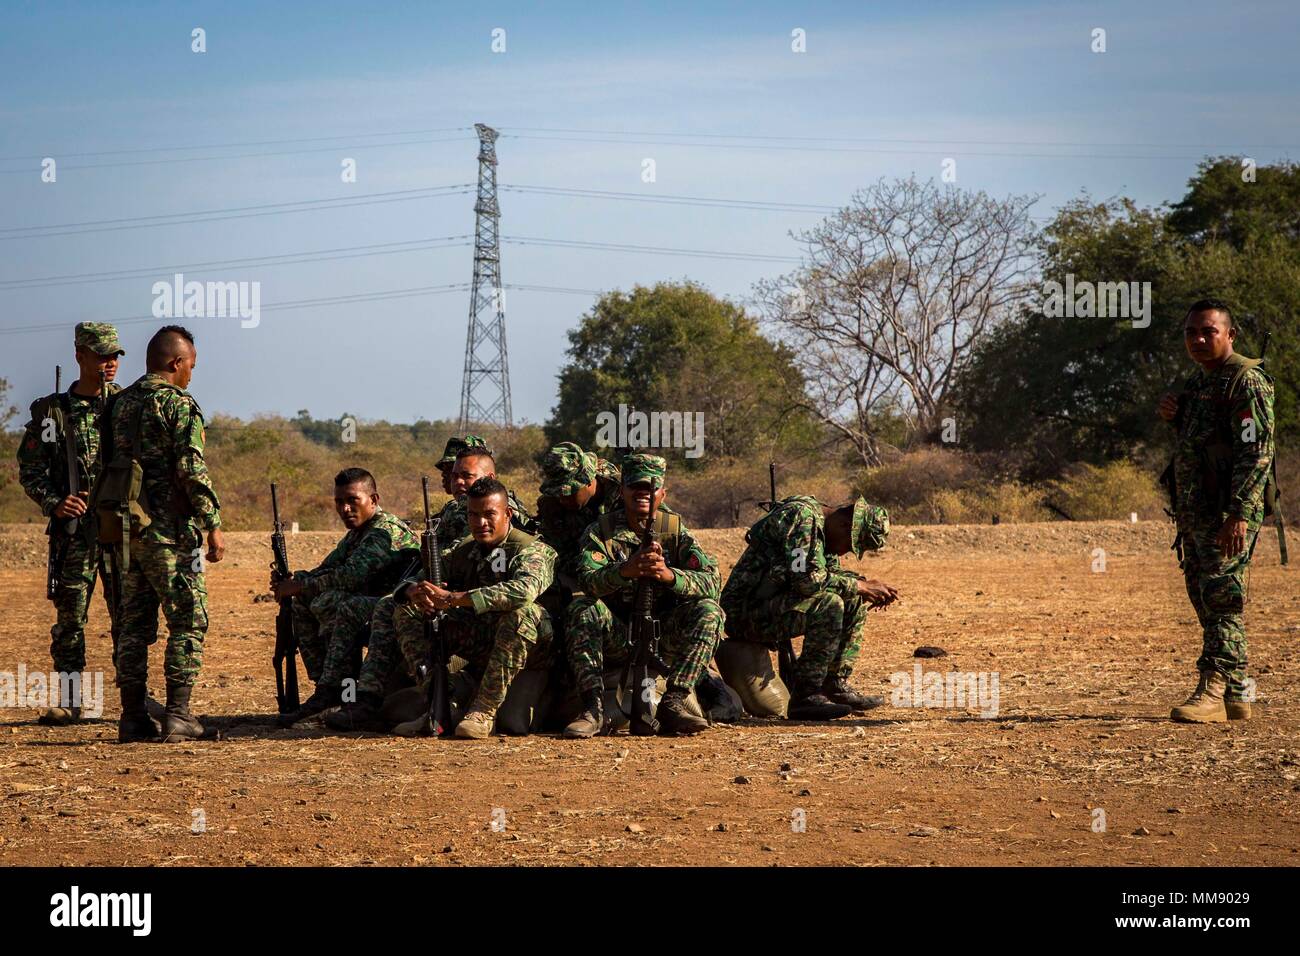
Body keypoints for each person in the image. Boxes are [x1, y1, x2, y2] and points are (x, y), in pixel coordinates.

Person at [330, 477, 555, 738]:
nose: (480, 523)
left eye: (489, 514)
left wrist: (455, 598)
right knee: (402, 607)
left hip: (531, 645)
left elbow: (522, 591)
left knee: (522, 613)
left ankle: (483, 711)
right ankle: (438, 701)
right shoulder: (465, 550)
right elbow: (413, 580)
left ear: (508, 514)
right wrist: (415, 592)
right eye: (473, 515)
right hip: (484, 637)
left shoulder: (533, 550)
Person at [1157, 298, 1277, 723]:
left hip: (1228, 514)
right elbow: (1204, 441)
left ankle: (1212, 688)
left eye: (1208, 331)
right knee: (1207, 599)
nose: (1199, 339)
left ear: (1230, 335)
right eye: (1191, 333)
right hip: (1197, 513)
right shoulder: (1199, 383)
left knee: (1221, 598)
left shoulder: (1246, 382)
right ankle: (1238, 692)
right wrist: (1175, 414)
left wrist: (1240, 513)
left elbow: (1257, 453)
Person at [107, 325, 224, 742]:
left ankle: (132, 718)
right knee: (188, 619)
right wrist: (212, 523)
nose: (192, 373)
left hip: (126, 532)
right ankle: (178, 715)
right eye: (191, 365)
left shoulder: (119, 404)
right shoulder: (179, 405)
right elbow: (190, 468)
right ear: (176, 363)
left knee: (134, 625)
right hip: (170, 534)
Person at [564, 454, 723, 738]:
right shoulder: (602, 531)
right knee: (582, 608)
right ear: (622, 490)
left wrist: (670, 575)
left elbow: (712, 581)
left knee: (709, 611)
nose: (642, 494)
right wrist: (625, 570)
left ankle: (674, 700)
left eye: (650, 489)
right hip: (618, 633)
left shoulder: (674, 531)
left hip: (663, 635)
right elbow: (587, 580)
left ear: (663, 493)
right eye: (635, 487)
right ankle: (592, 708)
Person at [16, 323, 125, 724]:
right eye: (101, 355)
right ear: (79, 354)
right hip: (75, 534)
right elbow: (30, 469)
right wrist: (54, 502)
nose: (109, 363)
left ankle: (133, 701)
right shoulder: (52, 412)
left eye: (114, 356)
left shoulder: (127, 406)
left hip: (119, 532)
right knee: (70, 621)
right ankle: (70, 700)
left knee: (128, 617)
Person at [720, 494, 898, 719]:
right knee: (830, 604)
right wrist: (860, 585)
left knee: (853, 597)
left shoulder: (822, 530)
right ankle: (806, 695)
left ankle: (833, 684)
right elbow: (806, 580)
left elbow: (830, 575)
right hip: (745, 611)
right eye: (850, 545)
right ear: (844, 525)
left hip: (772, 604)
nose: (845, 552)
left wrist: (867, 587)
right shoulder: (802, 519)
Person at [272, 468, 418, 724]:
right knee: (306, 602)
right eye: (340, 502)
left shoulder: (385, 532)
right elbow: (329, 568)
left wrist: (300, 586)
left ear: (374, 500)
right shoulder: (358, 532)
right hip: (369, 604)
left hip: (395, 606)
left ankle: (337, 690)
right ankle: (328, 685)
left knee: (334, 603)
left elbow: (350, 576)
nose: (345, 508)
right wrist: (296, 580)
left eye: (353, 500)